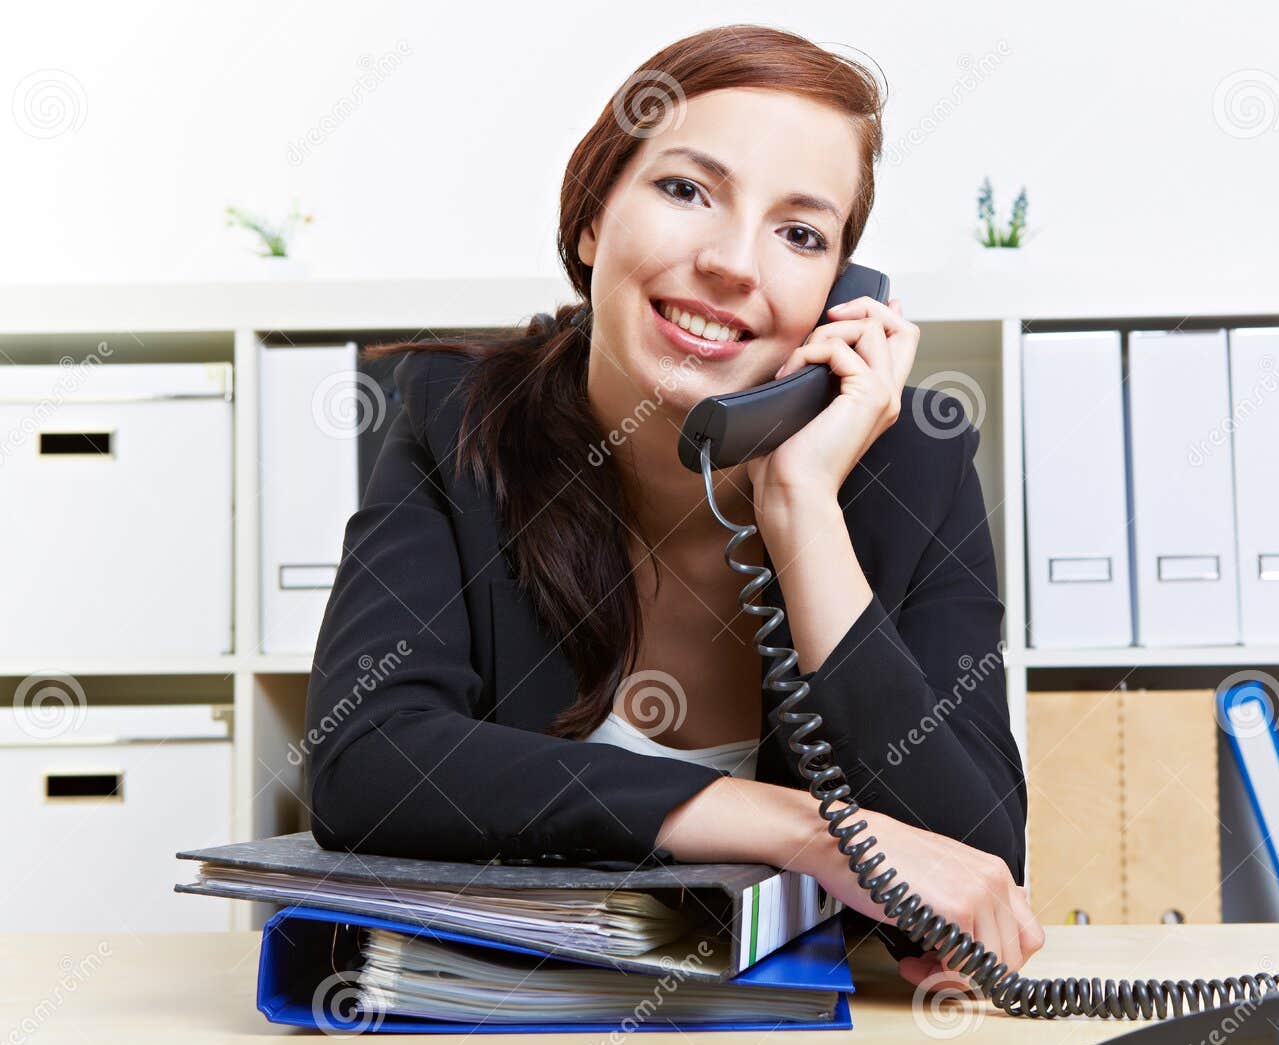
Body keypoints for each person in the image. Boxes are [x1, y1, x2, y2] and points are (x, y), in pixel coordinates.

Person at [306, 22, 1044, 993]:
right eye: (688, 190)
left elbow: (973, 859)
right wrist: (803, 828)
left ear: (840, 298)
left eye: (800, 234)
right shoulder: (457, 418)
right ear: (590, 221)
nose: (734, 264)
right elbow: (365, 760)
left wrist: (802, 510)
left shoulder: (913, 462)